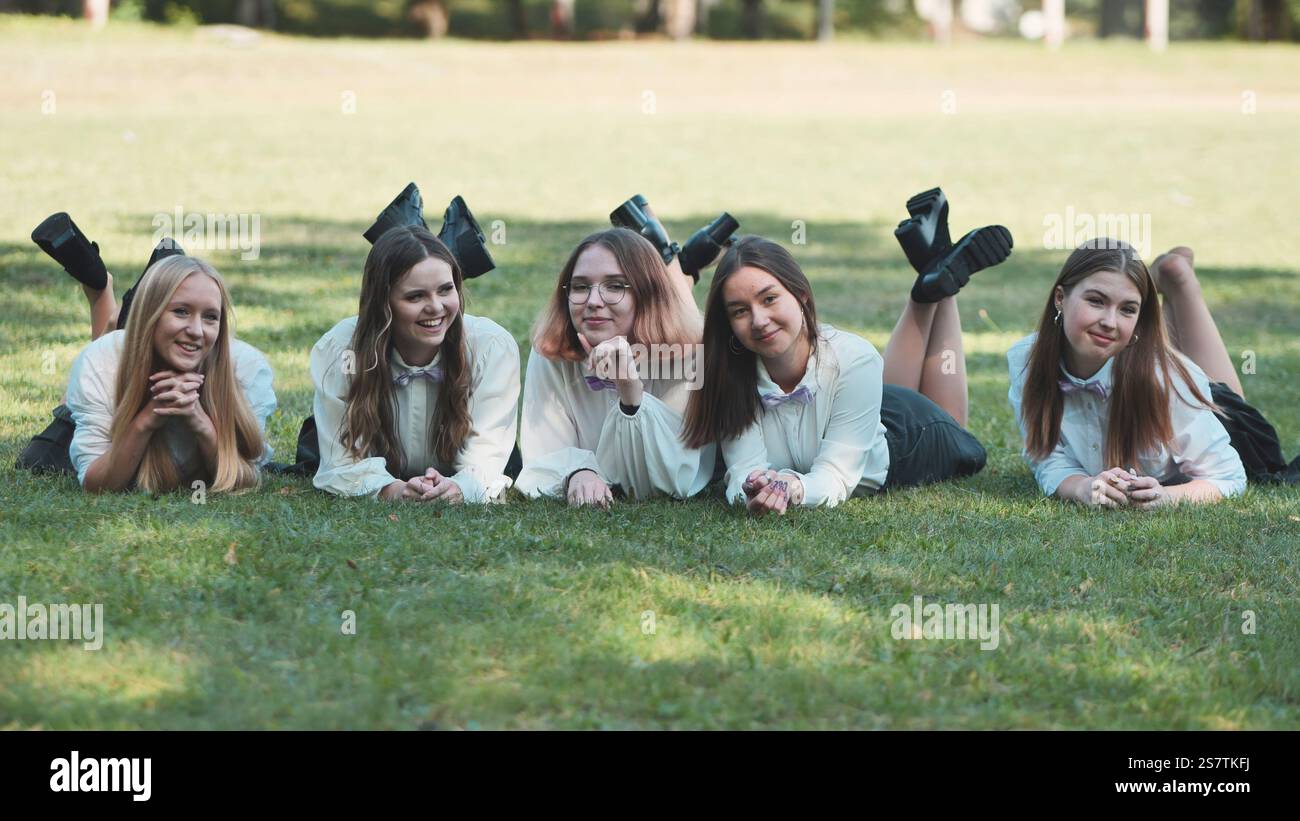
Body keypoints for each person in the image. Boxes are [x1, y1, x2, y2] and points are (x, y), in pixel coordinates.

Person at [681, 189, 1010, 515]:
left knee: (960, 436)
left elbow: (837, 476)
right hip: (861, 407)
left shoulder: (853, 358)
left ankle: (937, 290)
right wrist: (755, 490)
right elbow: (742, 472)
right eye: (739, 311)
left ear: (801, 295)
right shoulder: (727, 371)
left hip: (907, 435)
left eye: (769, 299)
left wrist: (793, 489)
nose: (759, 320)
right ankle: (935, 271)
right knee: (877, 387)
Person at [1008, 240, 1298, 508]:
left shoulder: (1168, 382)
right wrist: (1082, 487)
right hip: (1164, 378)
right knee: (1175, 369)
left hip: (1222, 422)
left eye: (1127, 309)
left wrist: (1167, 495)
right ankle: (1174, 276)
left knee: (1222, 394)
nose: (1109, 321)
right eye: (1096, 301)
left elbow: (1228, 476)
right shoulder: (1026, 361)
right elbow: (1047, 458)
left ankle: (1179, 279)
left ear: (1139, 318)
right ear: (1060, 298)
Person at [310, 224, 519, 503]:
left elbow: (486, 456)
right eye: (415, 296)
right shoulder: (341, 350)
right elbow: (342, 463)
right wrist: (393, 489)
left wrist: (459, 488)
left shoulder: (491, 348)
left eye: (446, 290)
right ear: (383, 303)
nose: (435, 307)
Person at [516, 227, 714, 507]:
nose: (593, 301)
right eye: (581, 287)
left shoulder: (690, 355)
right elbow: (542, 455)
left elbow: (672, 479)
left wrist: (630, 391)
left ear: (646, 294)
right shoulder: (552, 352)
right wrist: (577, 472)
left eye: (615, 286)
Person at [64, 254, 275, 493]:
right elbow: (96, 485)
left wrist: (200, 421)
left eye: (210, 317)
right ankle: (101, 292)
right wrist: (148, 418)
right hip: (95, 420)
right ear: (150, 314)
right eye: (181, 311)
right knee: (45, 451)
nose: (197, 331)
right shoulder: (101, 361)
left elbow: (242, 479)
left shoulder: (246, 369)